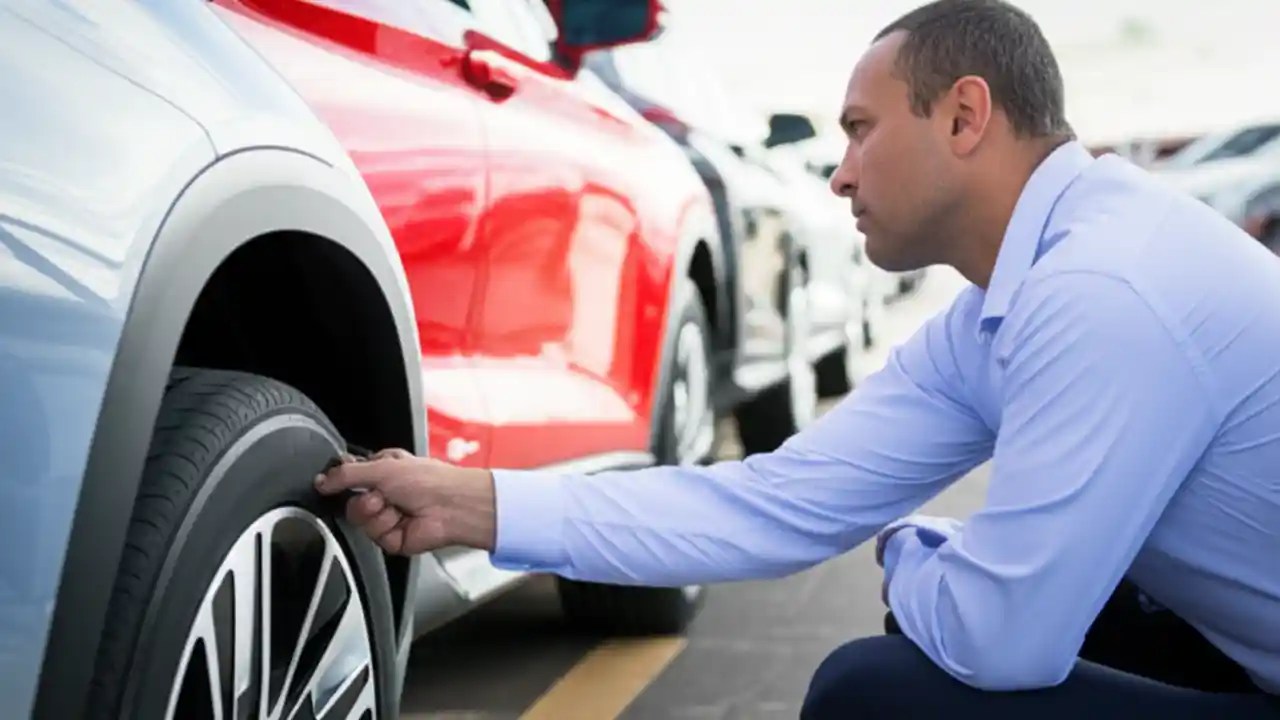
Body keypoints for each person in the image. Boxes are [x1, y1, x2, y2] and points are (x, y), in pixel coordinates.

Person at [315, 0, 1280, 716]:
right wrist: (469, 502)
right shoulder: (1010, 302)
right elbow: (772, 503)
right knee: (948, 627)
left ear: (963, 116)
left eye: (861, 129)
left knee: (875, 691)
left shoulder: (1104, 289)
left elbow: (1003, 644)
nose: (840, 171)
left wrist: (908, 553)